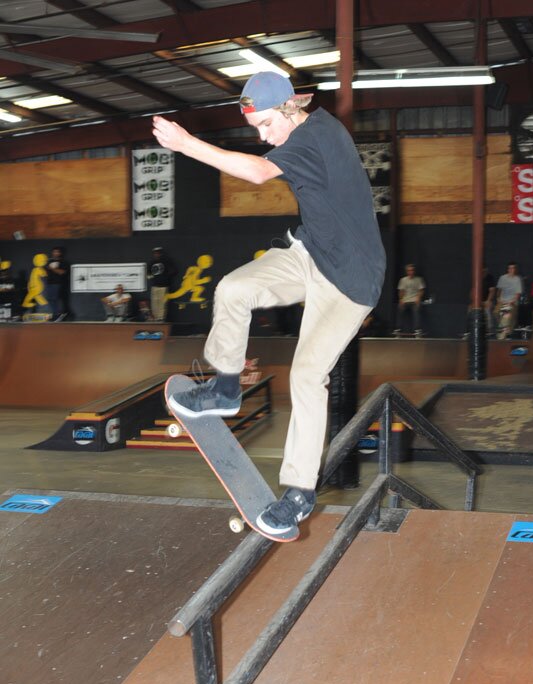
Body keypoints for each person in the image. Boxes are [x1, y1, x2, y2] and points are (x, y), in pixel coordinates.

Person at [152, 71, 386, 536]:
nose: (264, 137)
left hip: (352, 280)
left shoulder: (318, 134)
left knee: (306, 376)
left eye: (265, 126)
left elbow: (258, 172)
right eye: (257, 130)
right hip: (310, 255)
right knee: (232, 288)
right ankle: (224, 388)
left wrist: (186, 145)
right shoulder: (297, 130)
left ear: (288, 109)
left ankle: (298, 493)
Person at [395, 263, 425, 337]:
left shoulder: (418, 279)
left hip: (414, 300)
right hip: (405, 300)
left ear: (414, 271)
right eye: (409, 270)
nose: (410, 272)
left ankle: (417, 329)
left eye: (412, 270)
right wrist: (401, 299)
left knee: (416, 310)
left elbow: (421, 290)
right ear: (407, 271)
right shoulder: (403, 280)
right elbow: (401, 291)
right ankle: (398, 329)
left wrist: (418, 298)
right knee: (400, 309)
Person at [495, 262, 523, 340]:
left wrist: (511, 302)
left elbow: (517, 295)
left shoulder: (517, 279)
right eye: (510, 268)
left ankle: (503, 334)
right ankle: (504, 329)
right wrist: (499, 300)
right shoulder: (502, 278)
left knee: (506, 313)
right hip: (502, 301)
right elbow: (499, 291)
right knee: (496, 312)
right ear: (507, 269)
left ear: (515, 269)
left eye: (513, 268)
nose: (511, 270)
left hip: (512, 302)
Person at [147, 247, 176, 320]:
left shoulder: (167, 261)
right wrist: (152, 279)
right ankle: (155, 317)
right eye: (155, 253)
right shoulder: (152, 262)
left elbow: (173, 271)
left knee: (162, 303)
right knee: (154, 302)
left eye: (158, 253)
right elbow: (148, 273)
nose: (157, 254)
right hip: (155, 286)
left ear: (161, 253)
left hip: (164, 285)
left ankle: (161, 318)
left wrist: (166, 278)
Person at [45, 246, 70, 321]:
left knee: (55, 299)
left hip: (58, 284)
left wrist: (52, 269)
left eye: (57, 252)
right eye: (54, 252)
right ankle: (56, 314)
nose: (55, 253)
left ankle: (58, 315)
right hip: (49, 283)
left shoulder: (63, 262)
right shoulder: (49, 261)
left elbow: (62, 272)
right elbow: (46, 272)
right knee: (50, 299)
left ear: (60, 253)